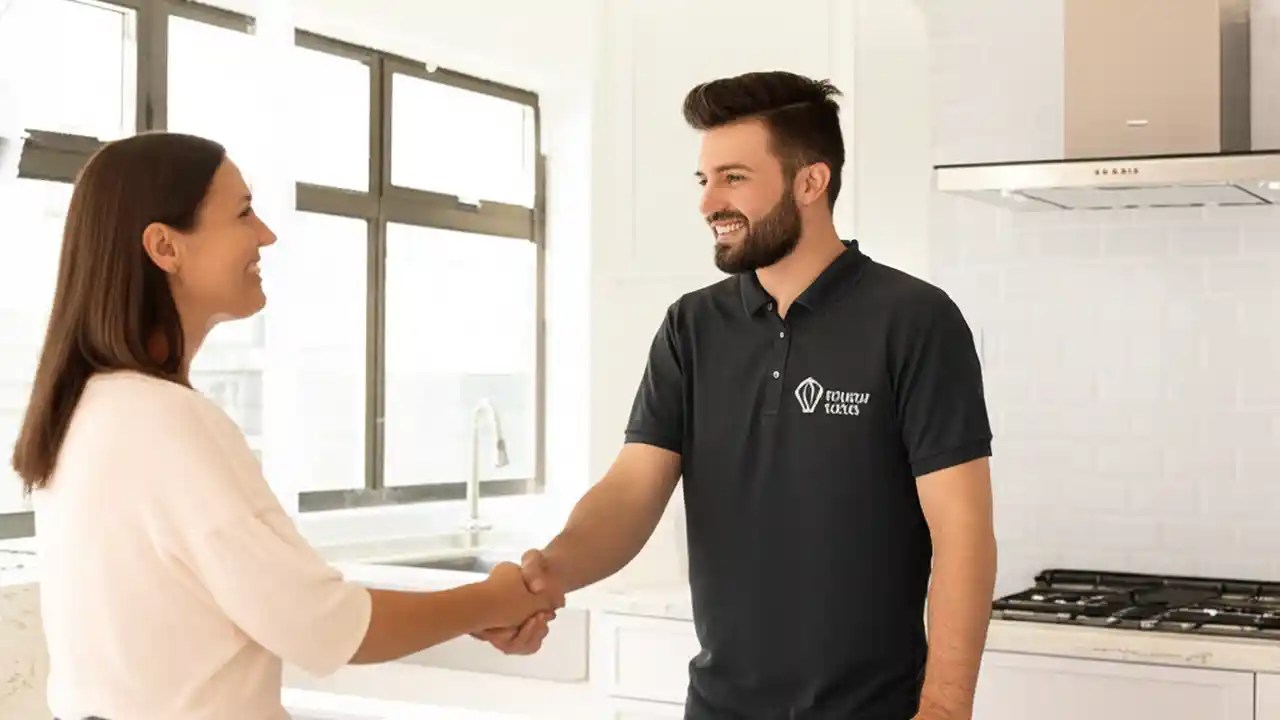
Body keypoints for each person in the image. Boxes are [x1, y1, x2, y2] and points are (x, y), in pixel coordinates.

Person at [476, 71, 997, 719]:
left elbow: (962, 531)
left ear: (810, 182)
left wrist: (945, 706)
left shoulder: (914, 319)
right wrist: (548, 574)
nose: (708, 203)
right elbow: (632, 491)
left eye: (734, 177)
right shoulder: (692, 326)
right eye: (705, 179)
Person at [10, 132, 555, 720]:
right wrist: (490, 600)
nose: (265, 235)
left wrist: (481, 604)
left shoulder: (89, 409)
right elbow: (321, 625)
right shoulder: (164, 422)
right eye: (243, 213)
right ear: (165, 246)